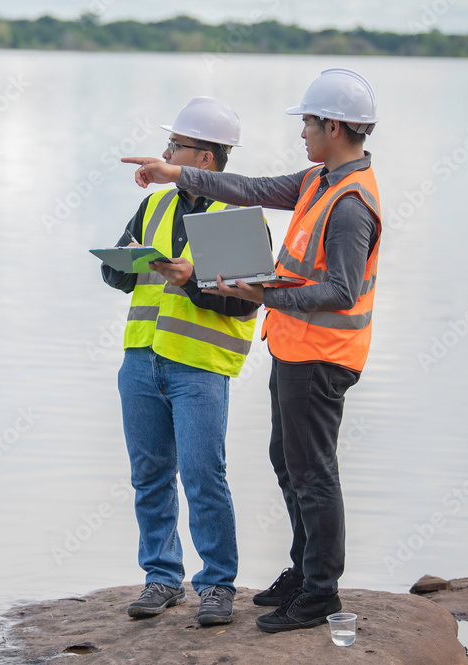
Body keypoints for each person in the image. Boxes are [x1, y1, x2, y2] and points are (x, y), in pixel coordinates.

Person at [122, 68, 382, 633]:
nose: (303, 132)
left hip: (323, 355)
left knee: (313, 474)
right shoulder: (320, 180)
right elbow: (252, 188)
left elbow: (341, 290)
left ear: (334, 125)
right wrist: (176, 171)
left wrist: (260, 294)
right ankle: (301, 573)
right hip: (293, 347)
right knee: (288, 464)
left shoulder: (352, 203)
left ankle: (318, 593)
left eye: (309, 122)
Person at [100, 97, 263, 626]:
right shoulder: (153, 207)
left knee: (202, 476)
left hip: (198, 365)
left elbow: (245, 302)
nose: (166, 153)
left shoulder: (235, 218)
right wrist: (123, 267)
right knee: (148, 474)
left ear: (206, 159)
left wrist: (190, 279)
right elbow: (119, 275)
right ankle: (161, 579)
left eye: (176, 146)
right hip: (141, 360)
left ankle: (216, 585)